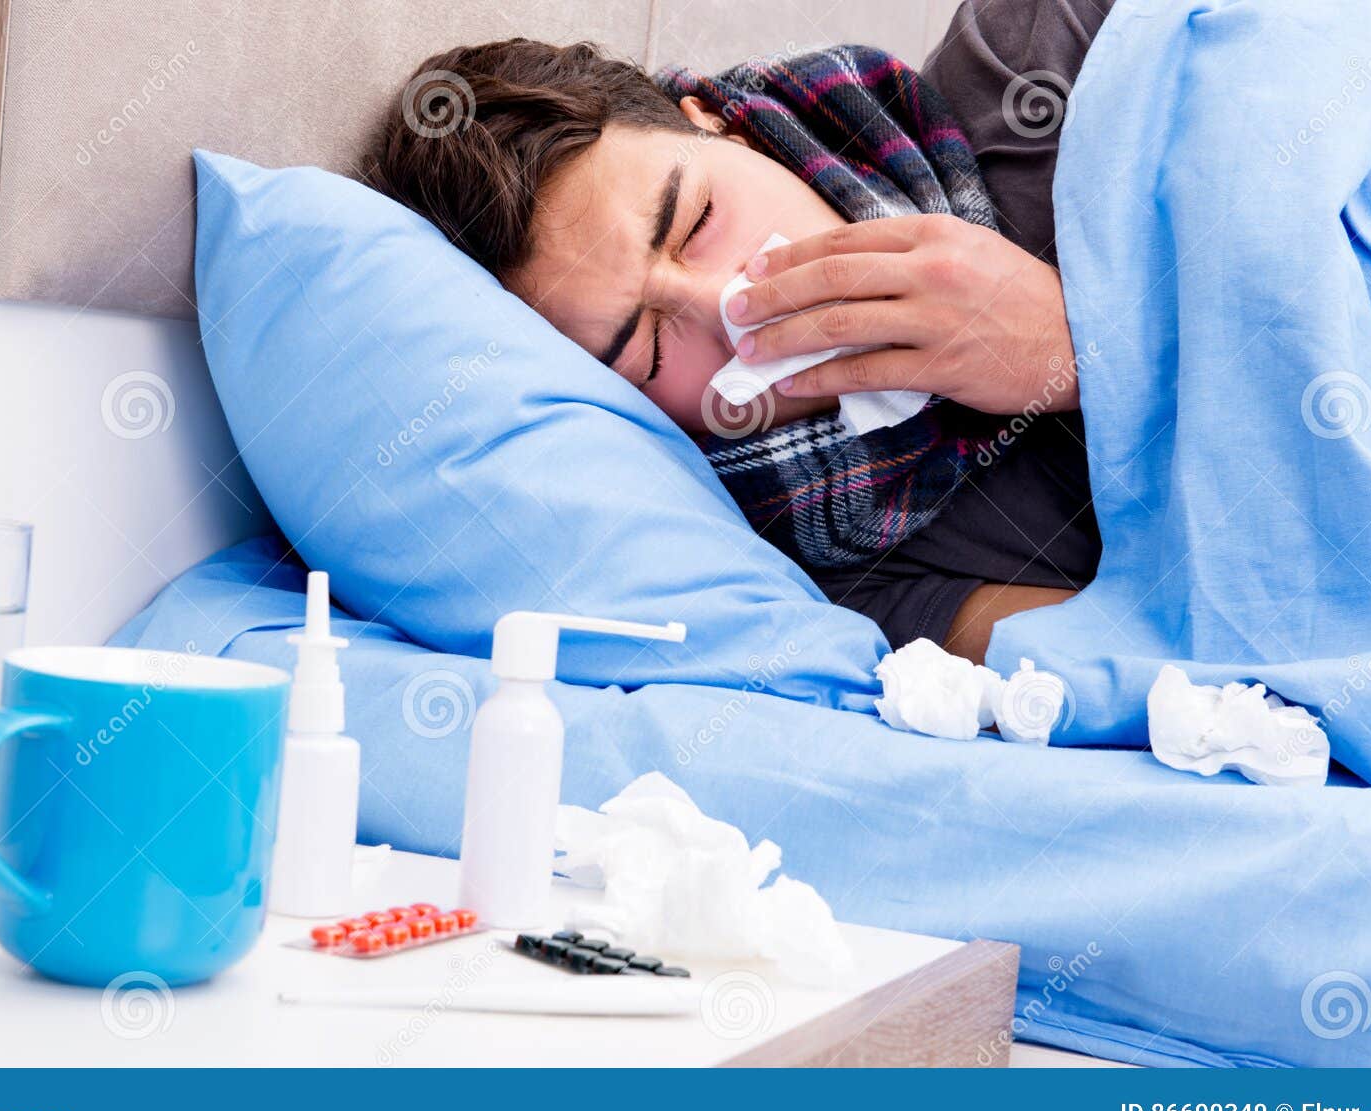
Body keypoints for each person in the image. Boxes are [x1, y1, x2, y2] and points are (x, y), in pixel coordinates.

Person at [367, 0, 1113, 663]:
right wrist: (1087, 362)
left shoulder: (1039, 47)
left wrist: (1080, 335)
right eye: (649, 347)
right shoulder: (844, 580)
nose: (733, 304)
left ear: (722, 127)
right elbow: (1191, 668)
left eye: (698, 223)